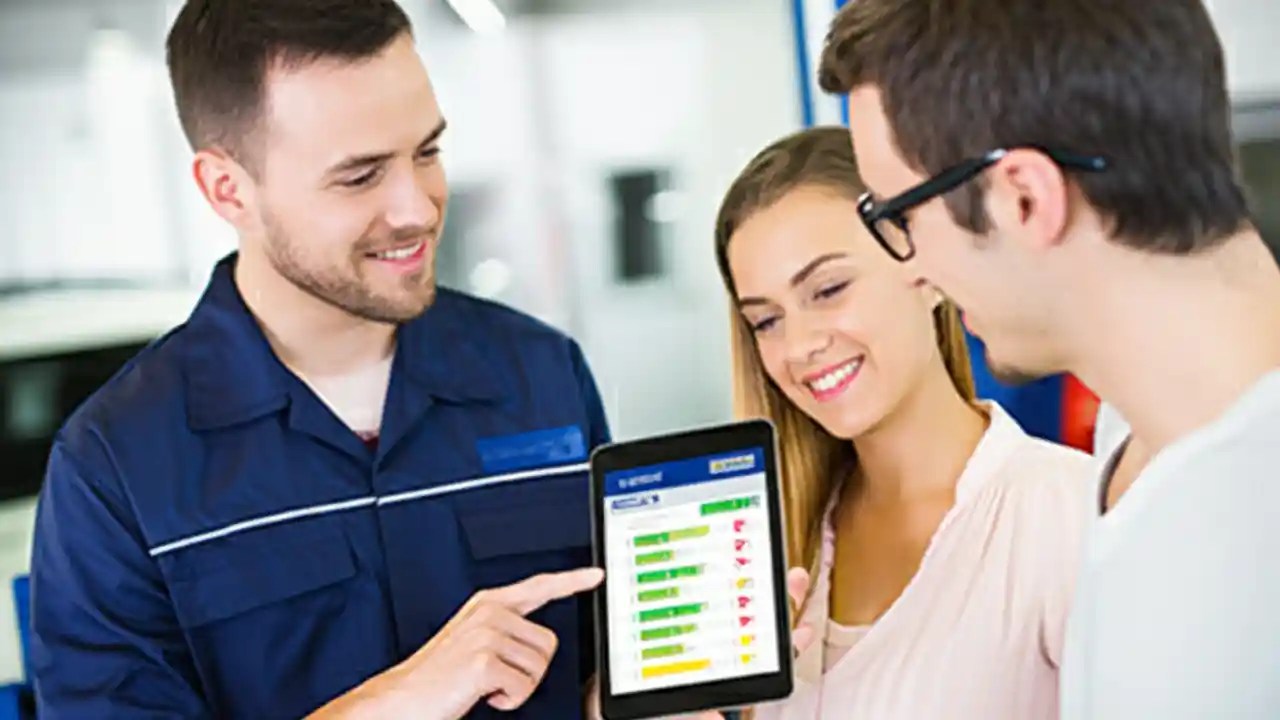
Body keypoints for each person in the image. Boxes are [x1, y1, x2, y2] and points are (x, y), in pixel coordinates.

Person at [29, 1, 610, 717]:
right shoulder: (115, 468)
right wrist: (398, 702)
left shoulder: (542, 375)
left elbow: (606, 663)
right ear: (228, 190)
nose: (419, 208)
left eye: (427, 152)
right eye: (360, 176)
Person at [819, 1, 1280, 717]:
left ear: (1024, 198)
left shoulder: (1240, 534)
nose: (911, 268)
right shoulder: (1137, 434)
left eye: (900, 217)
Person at [710, 126, 1096, 718]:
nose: (799, 345)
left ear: (924, 267)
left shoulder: (1067, 514)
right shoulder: (766, 556)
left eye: (828, 289)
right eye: (766, 321)